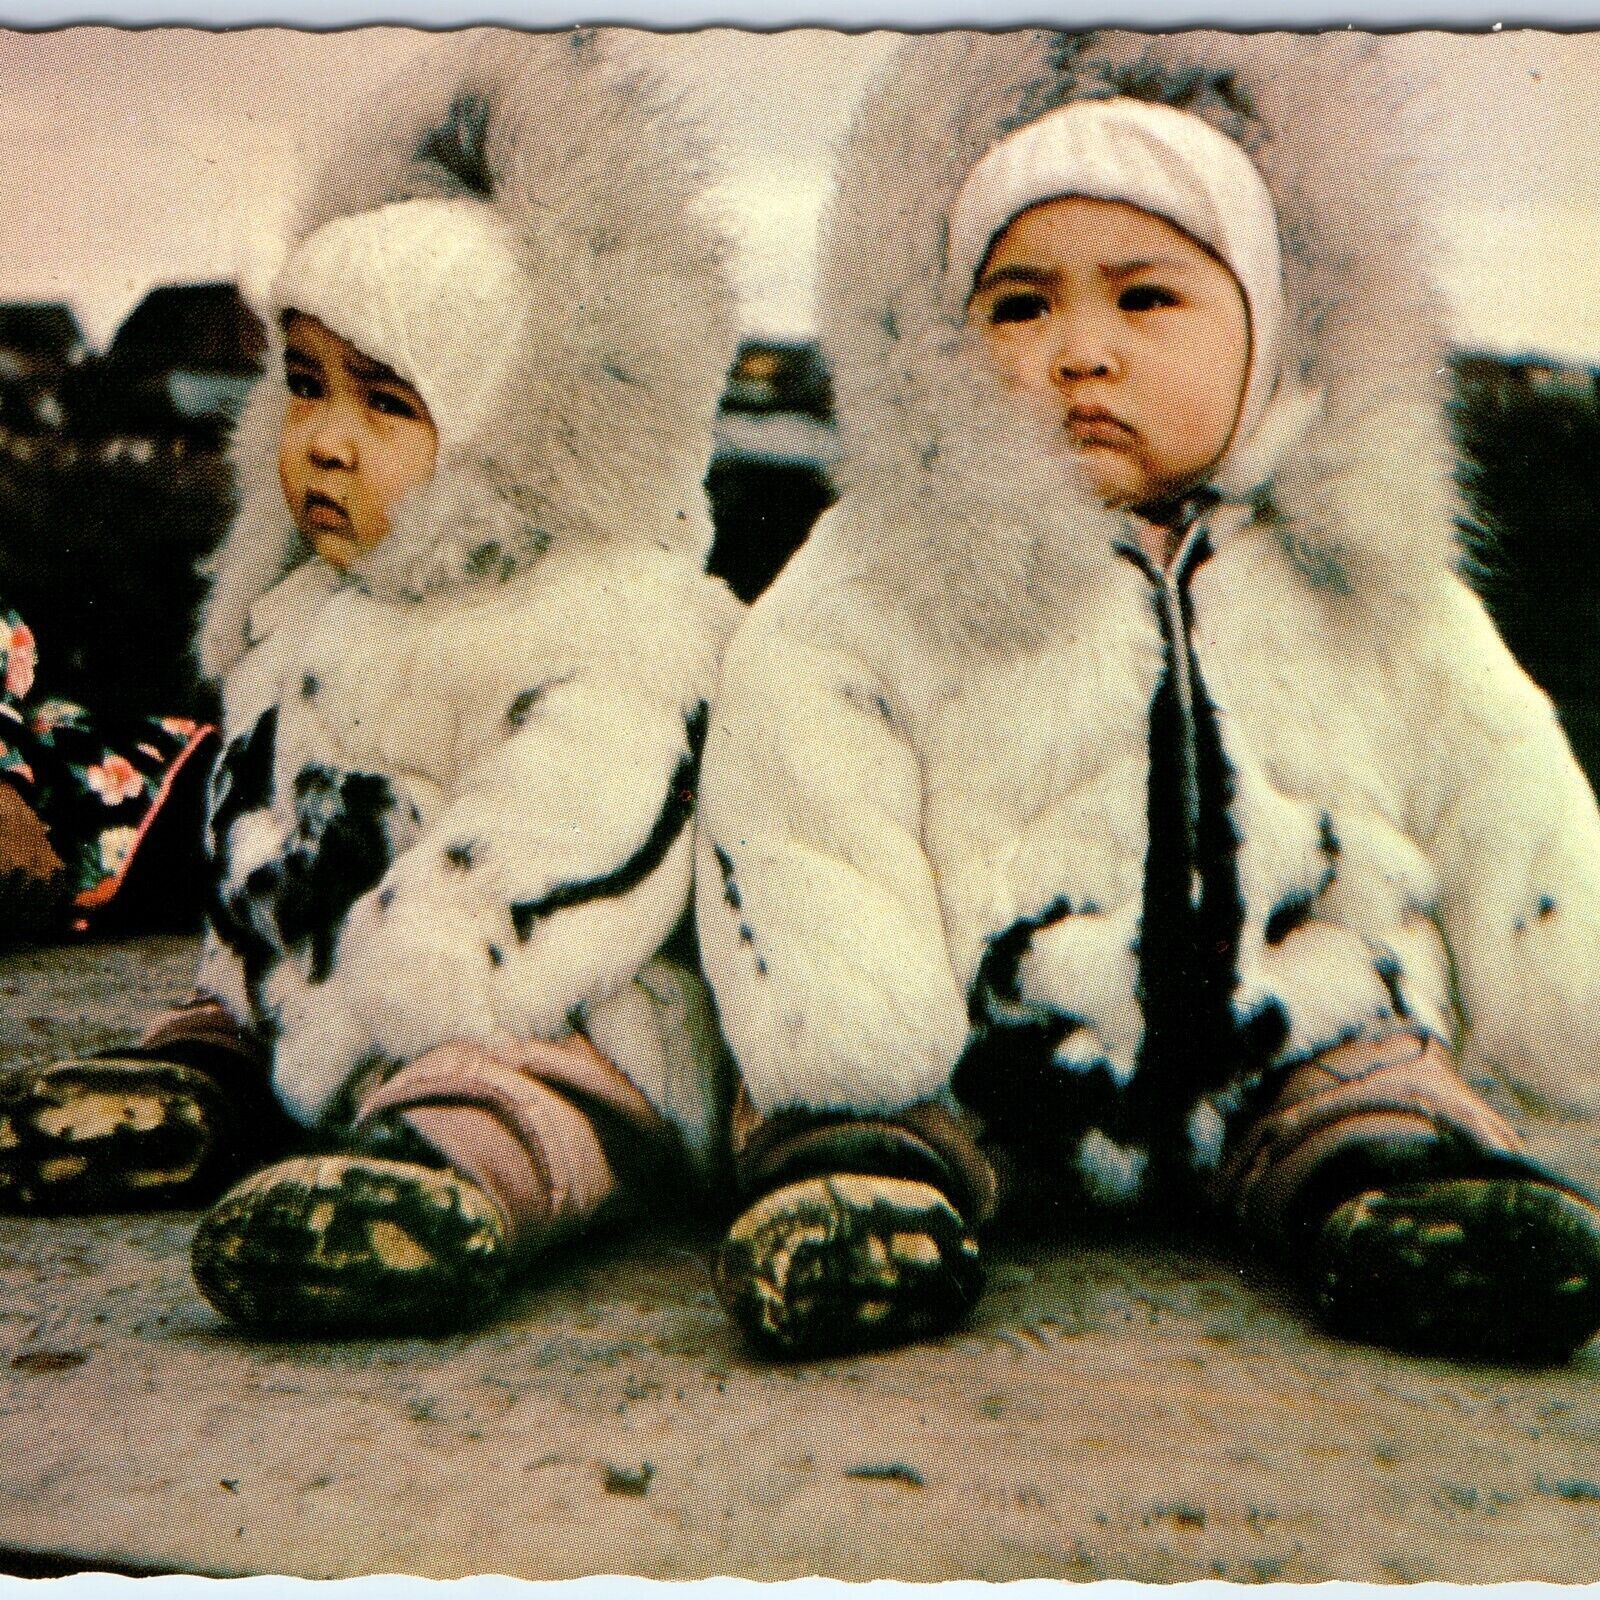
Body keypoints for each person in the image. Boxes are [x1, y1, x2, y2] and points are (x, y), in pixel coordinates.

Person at [697, 29, 1600, 1366]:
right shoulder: (890, 570)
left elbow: (1501, 776)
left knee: (1386, 1090)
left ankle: (1399, 1197)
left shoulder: (1359, 576)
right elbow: (799, 779)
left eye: (1144, 299)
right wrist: (854, 1039)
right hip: (983, 1058)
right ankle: (867, 1188)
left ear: (1268, 332)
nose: (1080, 353)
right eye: (1020, 306)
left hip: (1303, 1036)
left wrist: (1565, 981)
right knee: (861, 1135)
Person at [0, 31, 742, 1337]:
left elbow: (581, 819)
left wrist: (399, 994)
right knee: (234, 990)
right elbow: (259, 808)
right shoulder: (313, 612)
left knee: (554, 1080)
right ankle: (207, 1082)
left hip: (538, 984)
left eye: (386, 404)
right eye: (303, 388)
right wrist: (267, 981)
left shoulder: (606, 609)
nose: (323, 442)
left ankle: (445, 1179)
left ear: (503, 429)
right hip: (335, 998)